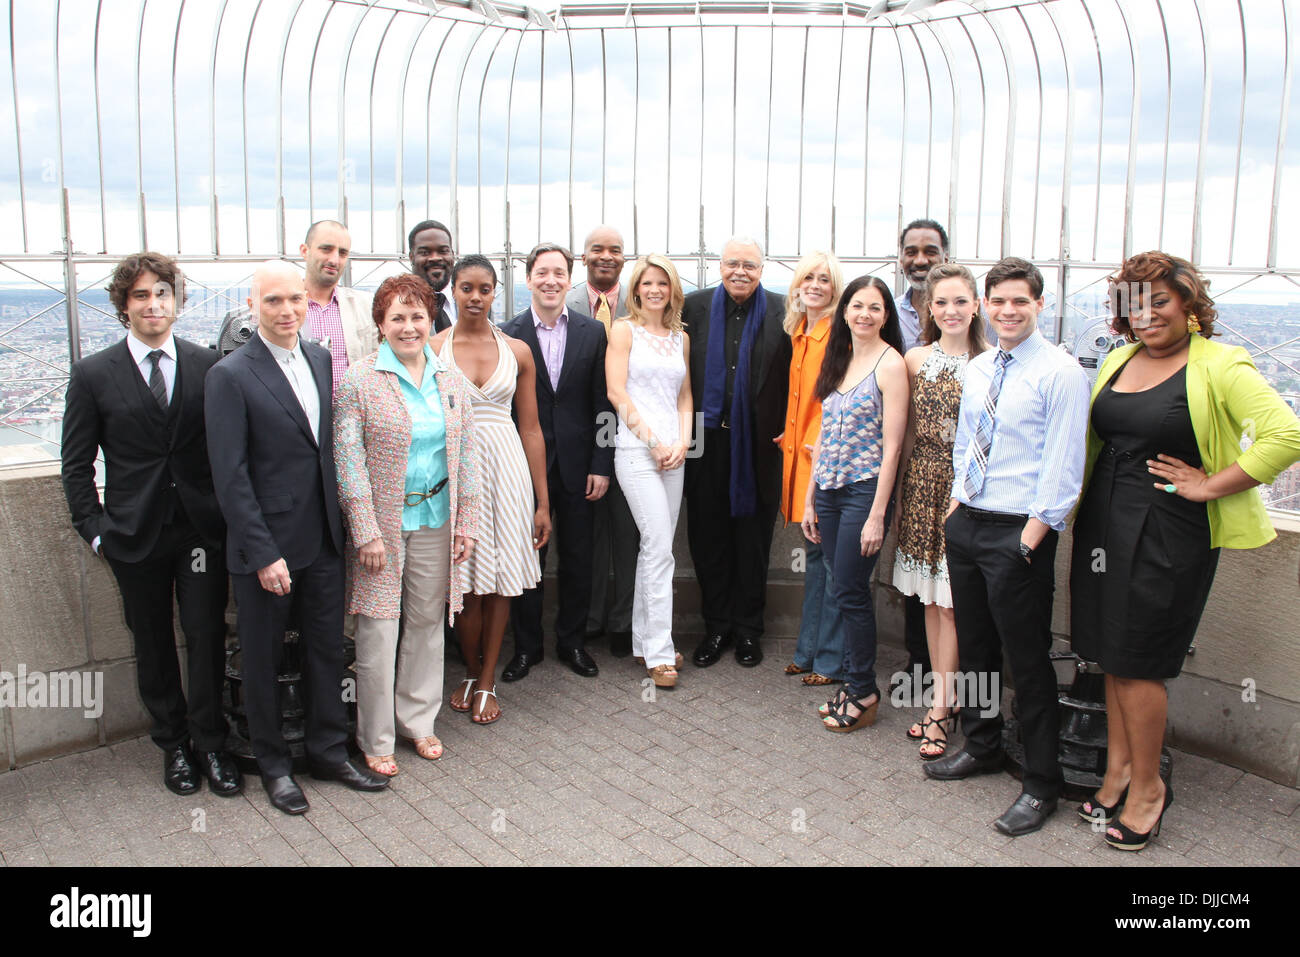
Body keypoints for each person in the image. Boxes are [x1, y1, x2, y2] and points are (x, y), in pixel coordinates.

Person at [1070, 251, 1300, 851]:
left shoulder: (1220, 364)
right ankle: (1118, 771)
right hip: (1104, 519)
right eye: (1133, 306)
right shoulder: (1119, 359)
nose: (1147, 317)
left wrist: (1209, 484)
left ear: (1190, 303)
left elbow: (1287, 434)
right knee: (1110, 655)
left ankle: (1149, 790)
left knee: (1141, 661)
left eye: (1160, 302)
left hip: (1168, 530)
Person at [206, 260, 389, 815]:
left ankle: (330, 751)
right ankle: (274, 767)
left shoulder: (319, 356)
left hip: (323, 540)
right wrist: (264, 553)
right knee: (261, 660)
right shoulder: (230, 375)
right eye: (274, 302)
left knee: (326, 652)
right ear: (252, 305)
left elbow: (324, 451)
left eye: (295, 301)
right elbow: (230, 477)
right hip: (266, 548)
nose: (287, 311)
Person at [60, 252, 241, 799]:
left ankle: (211, 742)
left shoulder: (207, 365)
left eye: (162, 293)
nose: (153, 303)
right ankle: (174, 745)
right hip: (132, 536)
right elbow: (75, 464)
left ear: (177, 302)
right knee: (154, 642)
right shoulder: (93, 374)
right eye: (141, 295)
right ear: (124, 306)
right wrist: (96, 531)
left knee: (207, 635)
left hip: (199, 533)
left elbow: (226, 449)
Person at [924, 257, 1091, 838]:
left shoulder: (1061, 372)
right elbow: (967, 444)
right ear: (985, 306)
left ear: (1040, 305)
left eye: (1020, 301)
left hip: (1020, 532)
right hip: (969, 521)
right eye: (998, 302)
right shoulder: (979, 368)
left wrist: (1029, 538)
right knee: (976, 647)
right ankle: (983, 744)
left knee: (1027, 659)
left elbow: (1065, 465)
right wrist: (954, 509)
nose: (1008, 311)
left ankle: (1042, 783)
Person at [334, 274, 480, 776]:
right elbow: (348, 461)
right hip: (383, 528)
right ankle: (374, 736)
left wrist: (466, 524)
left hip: (437, 520)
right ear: (380, 324)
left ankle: (418, 721)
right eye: (397, 316)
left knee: (425, 623)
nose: (409, 326)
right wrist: (367, 531)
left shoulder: (450, 379)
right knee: (377, 630)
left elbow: (465, 457)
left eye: (417, 316)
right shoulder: (359, 381)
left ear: (430, 320)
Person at [432, 255, 551, 724]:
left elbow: (533, 429)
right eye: (466, 288)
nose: (475, 297)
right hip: (455, 471)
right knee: (463, 581)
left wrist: (542, 502)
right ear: (454, 291)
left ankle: (486, 681)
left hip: (506, 470)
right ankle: (470, 669)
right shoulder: (432, 346)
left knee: (499, 578)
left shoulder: (518, 351)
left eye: (484, 289)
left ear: (496, 292)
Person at [502, 243, 613, 681]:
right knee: (529, 559)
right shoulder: (506, 334)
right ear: (528, 279)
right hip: (525, 469)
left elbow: (604, 404)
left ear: (571, 279)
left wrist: (602, 463)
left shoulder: (592, 332)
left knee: (579, 559)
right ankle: (528, 648)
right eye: (542, 273)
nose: (550, 280)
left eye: (559, 273)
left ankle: (573, 642)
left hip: (580, 465)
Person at [802, 277, 907, 732]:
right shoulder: (839, 357)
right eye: (857, 305)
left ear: (886, 315)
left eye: (875, 307)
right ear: (844, 311)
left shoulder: (891, 364)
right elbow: (823, 434)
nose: (865, 314)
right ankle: (851, 684)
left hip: (863, 491)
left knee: (849, 590)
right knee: (838, 585)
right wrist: (810, 499)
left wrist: (877, 515)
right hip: (828, 487)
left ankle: (862, 690)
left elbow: (893, 447)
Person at [891, 263, 987, 759]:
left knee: (951, 603)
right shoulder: (914, 359)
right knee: (929, 600)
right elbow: (904, 433)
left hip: (963, 490)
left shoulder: (991, 363)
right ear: (929, 308)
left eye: (960, 301)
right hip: (921, 486)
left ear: (976, 306)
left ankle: (943, 708)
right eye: (941, 302)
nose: (951, 310)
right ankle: (942, 697)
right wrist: (902, 490)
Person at [683, 236, 791, 668]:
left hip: (758, 446)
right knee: (708, 538)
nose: (740, 272)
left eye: (749, 264)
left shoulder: (784, 312)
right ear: (719, 266)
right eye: (732, 263)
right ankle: (716, 628)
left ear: (762, 270)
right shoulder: (693, 308)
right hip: (704, 441)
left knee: (752, 540)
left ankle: (748, 631)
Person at [605, 254, 693, 688]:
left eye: (663, 282)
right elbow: (616, 390)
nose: (655, 289)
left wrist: (681, 443)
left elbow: (685, 397)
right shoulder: (624, 331)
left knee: (655, 549)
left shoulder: (680, 338)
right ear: (636, 288)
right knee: (659, 548)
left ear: (672, 289)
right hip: (637, 453)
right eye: (647, 282)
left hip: (674, 456)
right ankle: (660, 653)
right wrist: (655, 442)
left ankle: (645, 640)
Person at [777, 251, 847, 687]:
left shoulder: (838, 333)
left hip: (825, 459)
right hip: (800, 456)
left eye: (825, 279)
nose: (816, 285)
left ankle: (830, 659)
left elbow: (836, 394)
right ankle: (808, 651)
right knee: (818, 557)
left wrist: (812, 437)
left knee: (831, 560)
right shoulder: (800, 330)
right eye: (809, 277)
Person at [569, 225, 637, 658]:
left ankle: (625, 622)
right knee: (587, 536)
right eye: (598, 249)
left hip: (632, 432)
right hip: (583, 434)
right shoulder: (567, 300)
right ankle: (589, 619)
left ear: (624, 258)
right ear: (584, 256)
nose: (606, 256)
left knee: (629, 535)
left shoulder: (645, 297)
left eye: (615, 250)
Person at [893, 220, 950, 687]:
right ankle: (918, 667)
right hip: (905, 458)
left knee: (952, 583)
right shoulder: (885, 313)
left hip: (958, 472)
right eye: (910, 250)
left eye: (929, 250)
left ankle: (952, 680)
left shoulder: (975, 320)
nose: (919, 259)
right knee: (915, 571)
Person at [300, 220, 378, 397]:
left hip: (352, 418)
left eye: (342, 253)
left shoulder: (366, 306)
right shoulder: (285, 308)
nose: (334, 260)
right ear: (305, 251)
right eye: (326, 249)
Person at [409, 219, 457, 332]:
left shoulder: (472, 302)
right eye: (425, 252)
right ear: (412, 257)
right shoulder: (396, 303)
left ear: (452, 255)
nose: (435, 258)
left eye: (443, 251)